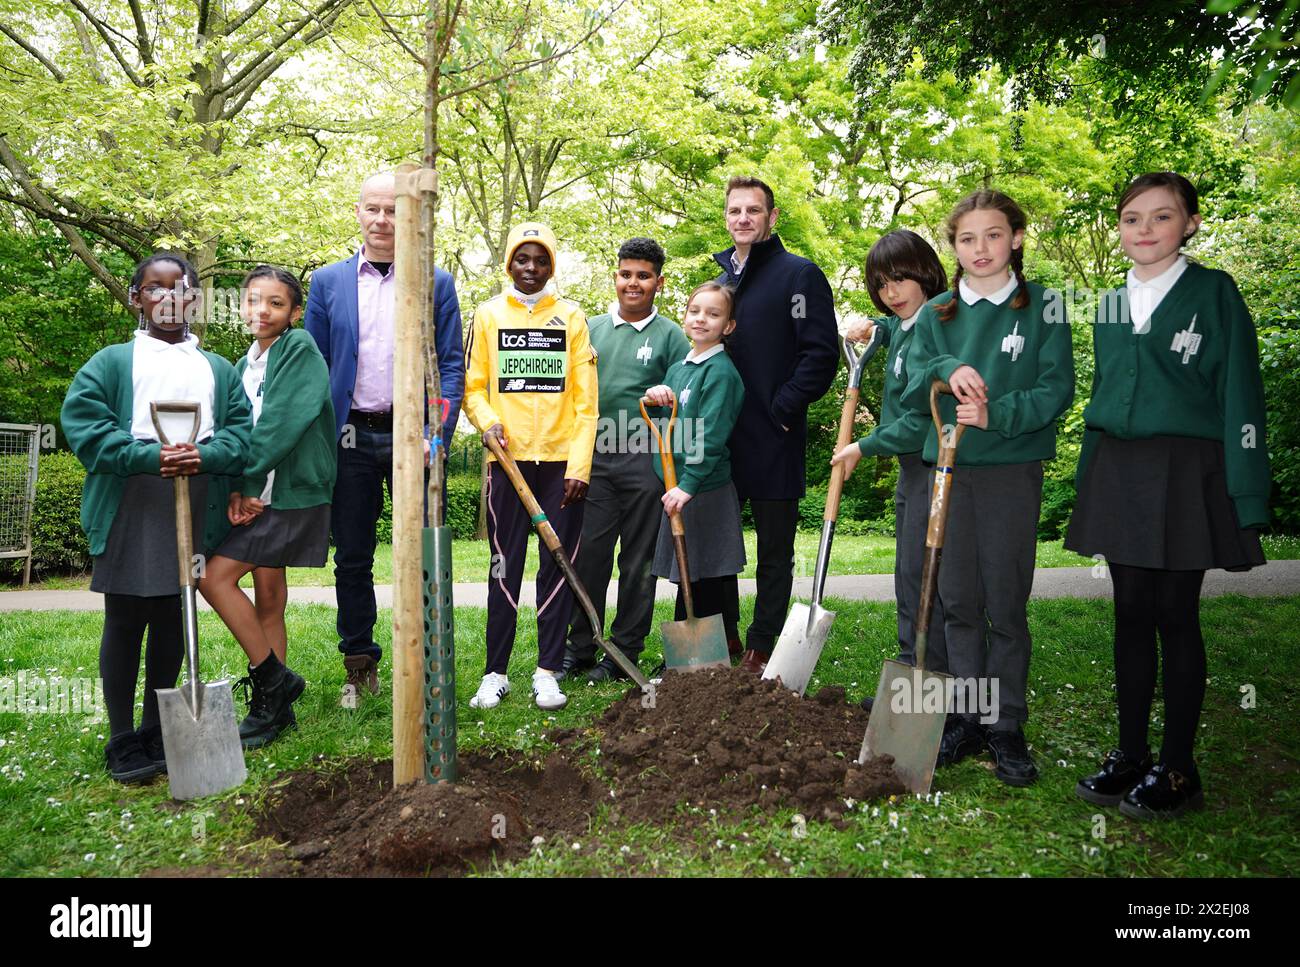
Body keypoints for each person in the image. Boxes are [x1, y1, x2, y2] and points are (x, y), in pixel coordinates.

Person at [1066, 172, 1270, 819]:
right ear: (1119, 229)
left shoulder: (1214, 293)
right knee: (1130, 609)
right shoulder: (1106, 302)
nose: (1145, 229)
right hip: (1120, 470)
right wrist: (1087, 481)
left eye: (1161, 216)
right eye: (1132, 218)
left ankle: (1179, 766)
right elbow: (1106, 392)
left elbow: (1242, 391)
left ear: (1190, 224)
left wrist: (1247, 487)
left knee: (1175, 612)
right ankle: (1130, 754)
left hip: (1187, 469)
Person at [901, 189, 1074, 787]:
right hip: (945, 473)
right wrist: (947, 370)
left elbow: (1057, 391)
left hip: (1009, 473)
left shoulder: (1044, 308)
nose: (981, 248)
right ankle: (964, 717)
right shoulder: (937, 313)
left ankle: (1004, 723)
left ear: (1017, 239)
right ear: (955, 247)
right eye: (967, 238)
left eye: (993, 235)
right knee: (957, 601)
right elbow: (914, 376)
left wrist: (995, 412)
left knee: (1004, 601)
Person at [61, 253, 252, 783]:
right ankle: (122, 736)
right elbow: (85, 426)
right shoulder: (112, 362)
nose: (169, 298)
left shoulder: (216, 369)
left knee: (174, 614)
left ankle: (156, 727)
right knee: (126, 617)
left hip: (194, 502)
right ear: (136, 297)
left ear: (195, 298)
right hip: (131, 501)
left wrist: (206, 456)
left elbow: (240, 434)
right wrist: (148, 456)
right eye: (155, 289)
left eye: (181, 289)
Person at [304, 171, 464, 704]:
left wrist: (432, 437)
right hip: (349, 437)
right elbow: (313, 364)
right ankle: (359, 663)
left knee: (422, 552)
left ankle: (423, 659)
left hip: (411, 436)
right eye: (373, 209)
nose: (381, 219)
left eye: (392, 210)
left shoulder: (435, 284)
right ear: (358, 213)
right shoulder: (327, 283)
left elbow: (449, 370)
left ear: (408, 217)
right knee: (352, 556)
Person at [462, 222, 598, 711]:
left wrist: (579, 466)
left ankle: (547, 671)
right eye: (523, 259)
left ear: (552, 266)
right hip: (508, 464)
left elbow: (586, 403)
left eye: (541, 260)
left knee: (557, 568)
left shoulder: (572, 317)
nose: (531, 268)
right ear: (509, 263)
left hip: (561, 466)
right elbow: (473, 388)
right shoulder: (488, 315)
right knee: (505, 566)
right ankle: (494, 673)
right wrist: (488, 422)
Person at [198, 266, 335, 749]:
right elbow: (236, 430)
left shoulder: (298, 349)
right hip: (261, 492)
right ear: (241, 306)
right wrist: (235, 486)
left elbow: (281, 423)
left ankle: (272, 680)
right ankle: (277, 710)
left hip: (291, 492)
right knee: (269, 594)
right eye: (254, 300)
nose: (264, 310)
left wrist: (249, 485)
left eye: (277, 303)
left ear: (294, 312)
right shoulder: (242, 364)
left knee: (212, 577)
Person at [713, 176, 839, 673]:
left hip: (773, 436)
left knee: (773, 551)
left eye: (753, 210)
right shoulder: (722, 280)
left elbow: (819, 353)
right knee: (718, 547)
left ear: (772, 217)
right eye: (735, 210)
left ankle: (760, 643)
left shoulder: (798, 277)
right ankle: (719, 639)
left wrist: (782, 409)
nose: (743, 218)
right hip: (721, 439)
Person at [561, 237, 692, 683]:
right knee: (590, 556)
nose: (633, 283)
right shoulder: (588, 328)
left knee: (637, 561)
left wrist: (666, 398)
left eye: (643, 276)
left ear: (659, 281)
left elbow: (684, 401)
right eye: (625, 274)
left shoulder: (673, 336)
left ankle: (622, 652)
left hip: (645, 460)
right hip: (593, 459)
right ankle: (580, 647)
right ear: (615, 277)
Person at [831, 231, 951, 709]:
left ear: (925, 272)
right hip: (909, 468)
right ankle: (911, 673)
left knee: (928, 579)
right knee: (908, 576)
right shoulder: (902, 325)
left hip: (929, 463)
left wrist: (863, 445)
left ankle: (932, 678)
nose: (892, 293)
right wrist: (870, 328)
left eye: (901, 279)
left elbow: (918, 416)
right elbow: (890, 329)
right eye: (882, 284)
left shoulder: (935, 324)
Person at [644, 282, 747, 653]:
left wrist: (688, 484)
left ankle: (699, 654)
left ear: (728, 326)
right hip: (679, 485)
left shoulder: (720, 373)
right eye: (695, 311)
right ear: (685, 317)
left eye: (714, 313)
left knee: (702, 571)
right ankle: (716, 644)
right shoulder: (678, 369)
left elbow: (712, 435)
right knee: (692, 569)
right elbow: (668, 421)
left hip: (703, 487)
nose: (702, 319)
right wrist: (656, 398)